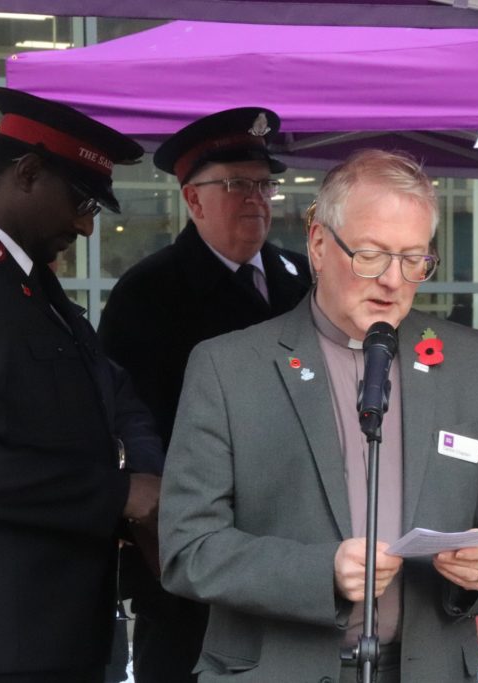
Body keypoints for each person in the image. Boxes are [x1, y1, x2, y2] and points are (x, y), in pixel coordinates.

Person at [158, 149, 478, 682]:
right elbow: (186, 550)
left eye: (414, 260)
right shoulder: (228, 367)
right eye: (371, 255)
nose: (393, 280)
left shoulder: (471, 363)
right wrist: (320, 573)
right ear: (318, 244)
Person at [0, 87, 161, 683]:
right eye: (80, 202)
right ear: (27, 173)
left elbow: (111, 391)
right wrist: (117, 494)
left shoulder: (32, 289)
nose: (84, 225)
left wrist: (144, 475)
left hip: (54, 628)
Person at [97, 107, 312, 683]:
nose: (257, 199)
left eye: (265, 184)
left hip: (296, 543)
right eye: (236, 185)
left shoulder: (300, 280)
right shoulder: (148, 293)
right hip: (193, 554)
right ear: (193, 200)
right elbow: (132, 427)